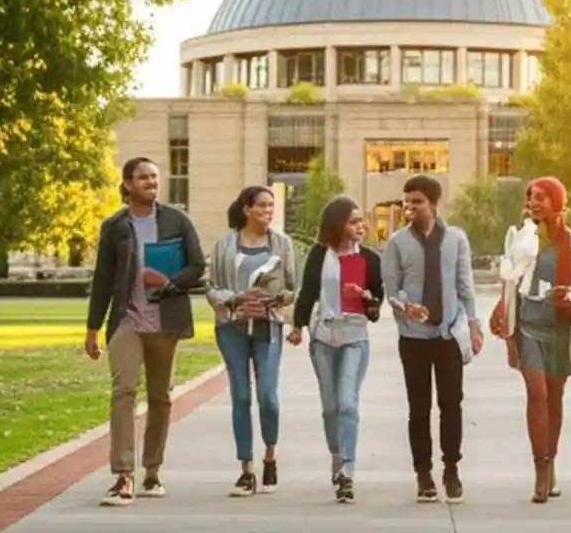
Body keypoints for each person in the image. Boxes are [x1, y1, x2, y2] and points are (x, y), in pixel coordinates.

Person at [84, 157, 206, 507]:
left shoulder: (177, 220)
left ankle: (152, 470)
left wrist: (168, 282)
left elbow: (196, 266)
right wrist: (93, 328)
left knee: (160, 398)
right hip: (127, 319)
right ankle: (123, 475)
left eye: (154, 176)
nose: (151, 182)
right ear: (127, 184)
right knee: (123, 391)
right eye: (143, 177)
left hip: (165, 320)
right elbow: (103, 279)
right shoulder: (115, 226)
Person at [381, 175, 484, 504]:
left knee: (451, 405)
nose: (410, 207)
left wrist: (473, 322)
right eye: (407, 201)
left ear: (434, 204)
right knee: (419, 407)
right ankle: (423, 473)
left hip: (447, 334)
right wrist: (404, 306)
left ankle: (451, 469)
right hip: (413, 337)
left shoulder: (455, 239)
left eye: (417, 201)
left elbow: (465, 283)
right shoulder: (397, 242)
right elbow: (390, 289)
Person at [489, 177, 571, 503]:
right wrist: (504, 322)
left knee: (555, 396)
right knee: (537, 393)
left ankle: (552, 460)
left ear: (557, 202)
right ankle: (540, 470)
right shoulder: (519, 238)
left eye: (542, 197)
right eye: (531, 197)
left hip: (558, 328)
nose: (534, 202)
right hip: (528, 327)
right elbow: (510, 282)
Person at [288, 195, 384, 504]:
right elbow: (307, 293)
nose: (361, 226)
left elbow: (375, 309)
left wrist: (368, 296)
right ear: (338, 224)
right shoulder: (320, 255)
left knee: (347, 403)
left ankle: (348, 470)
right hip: (323, 337)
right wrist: (298, 326)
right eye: (354, 221)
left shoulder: (369, 259)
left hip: (355, 336)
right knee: (330, 406)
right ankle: (336, 454)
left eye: (361, 221)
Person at [205, 186, 297, 497]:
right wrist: (236, 299)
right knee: (241, 396)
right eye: (262, 205)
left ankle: (269, 455)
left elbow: (292, 290)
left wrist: (270, 301)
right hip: (231, 328)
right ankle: (246, 469)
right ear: (246, 209)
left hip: (267, 327)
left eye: (271, 206)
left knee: (268, 396)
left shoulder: (282, 244)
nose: (268, 211)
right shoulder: (224, 245)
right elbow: (212, 288)